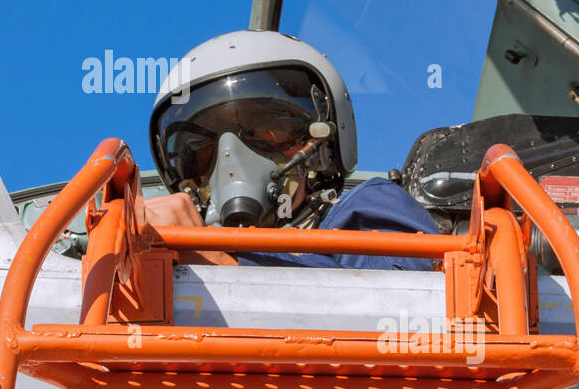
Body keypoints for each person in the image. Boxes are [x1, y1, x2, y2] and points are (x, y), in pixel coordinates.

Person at [143, 29, 439, 270]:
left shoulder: (364, 213)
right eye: (201, 147)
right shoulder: (171, 259)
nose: (230, 157)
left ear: (322, 147)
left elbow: (403, 300)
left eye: (262, 128)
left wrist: (223, 266)